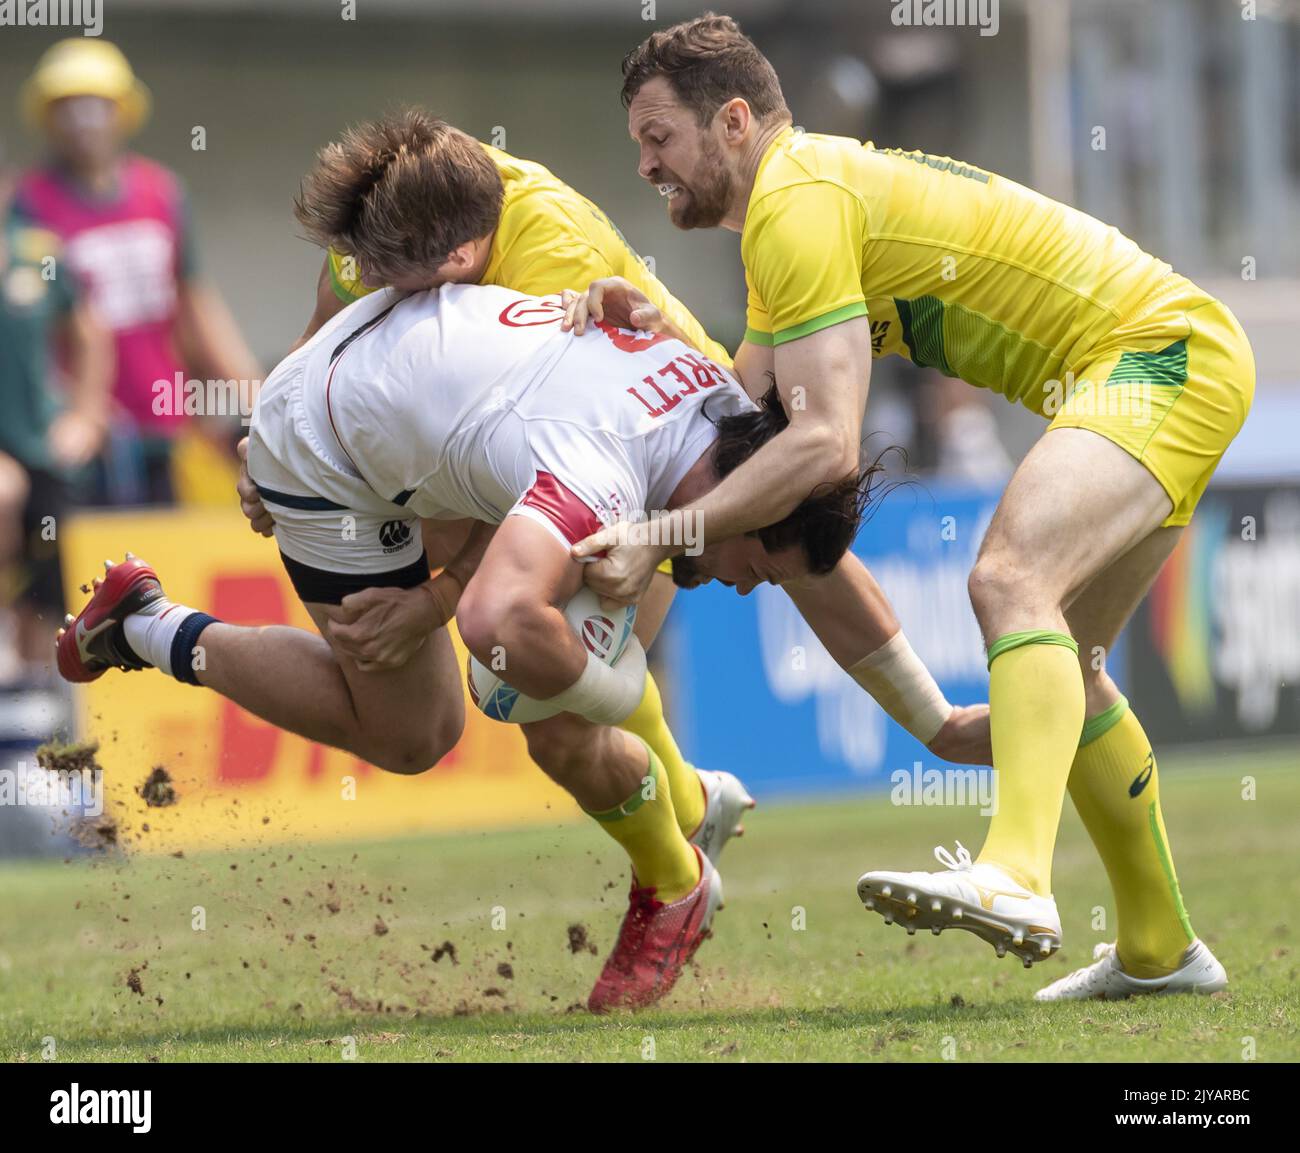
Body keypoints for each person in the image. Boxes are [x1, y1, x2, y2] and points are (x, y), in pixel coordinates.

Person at [564, 13, 1250, 998]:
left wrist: (660, 533)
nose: (644, 165)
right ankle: (1159, 949)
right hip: (1176, 358)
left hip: (1157, 358)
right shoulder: (795, 209)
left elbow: (819, 445)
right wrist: (644, 323)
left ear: (731, 122)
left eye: (656, 139)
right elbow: (732, 411)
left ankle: (1015, 874)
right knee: (1074, 667)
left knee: (1010, 580)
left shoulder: (793, 205)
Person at [60, 280, 879, 1011]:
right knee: (422, 728)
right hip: (328, 451)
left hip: (411, 392)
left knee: (558, 681)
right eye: (759, 569)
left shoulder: (721, 400)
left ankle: (680, 842)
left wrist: (440, 598)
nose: (743, 586)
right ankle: (145, 624)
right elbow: (498, 625)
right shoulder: (604, 470)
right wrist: (578, 666)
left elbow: (516, 442)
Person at [236, 109, 990, 846]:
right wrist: (265, 450)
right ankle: (691, 798)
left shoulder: (549, 264)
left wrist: (436, 602)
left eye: (390, 284)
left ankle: (675, 878)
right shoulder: (393, 220)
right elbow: (331, 325)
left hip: (658, 457)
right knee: (535, 684)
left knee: (553, 711)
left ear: (460, 262)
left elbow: (549, 462)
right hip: (580, 448)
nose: (378, 291)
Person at [15, 38, 259, 507]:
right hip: (77, 440)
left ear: (121, 111)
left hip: (164, 419)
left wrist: (251, 388)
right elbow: (27, 328)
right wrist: (75, 410)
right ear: (48, 117)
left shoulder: (161, 193)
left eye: (96, 105)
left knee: (158, 564)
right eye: (68, 106)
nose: (84, 120)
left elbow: (192, 301)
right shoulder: (28, 206)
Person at [0, 144, 111, 680]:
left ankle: (36, 698)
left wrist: (86, 417)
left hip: (38, 439)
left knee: (51, 581)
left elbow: (89, 332)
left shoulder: (38, 253)